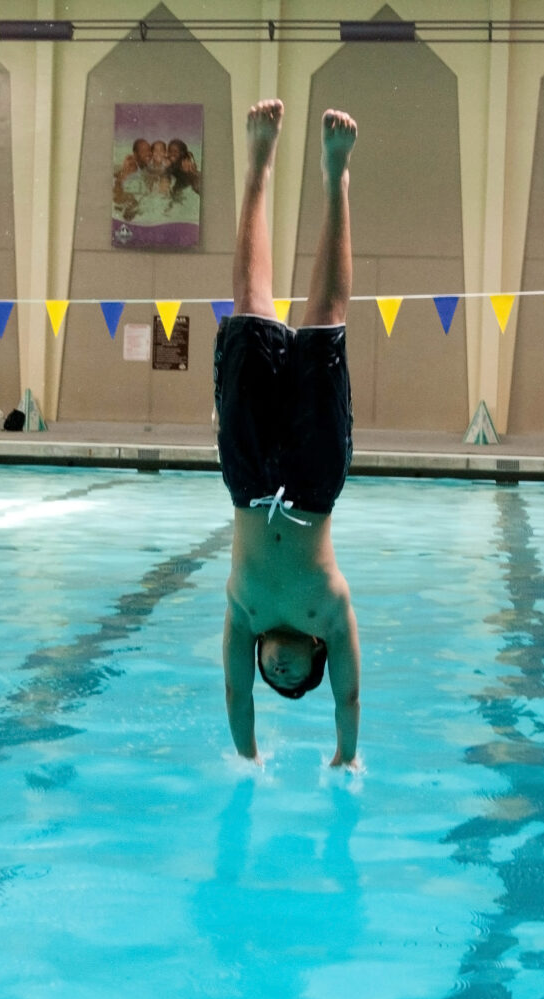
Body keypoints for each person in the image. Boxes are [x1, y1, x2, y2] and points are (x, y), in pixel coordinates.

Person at [216, 99, 361, 769]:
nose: (275, 677)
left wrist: (248, 756)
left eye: (268, 678)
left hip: (248, 478)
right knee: (325, 320)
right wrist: (343, 754)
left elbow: (237, 696)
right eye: (290, 680)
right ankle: (336, 178)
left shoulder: (244, 614)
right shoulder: (329, 614)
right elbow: (350, 700)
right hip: (312, 478)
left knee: (250, 308)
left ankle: (259, 165)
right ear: (315, 659)